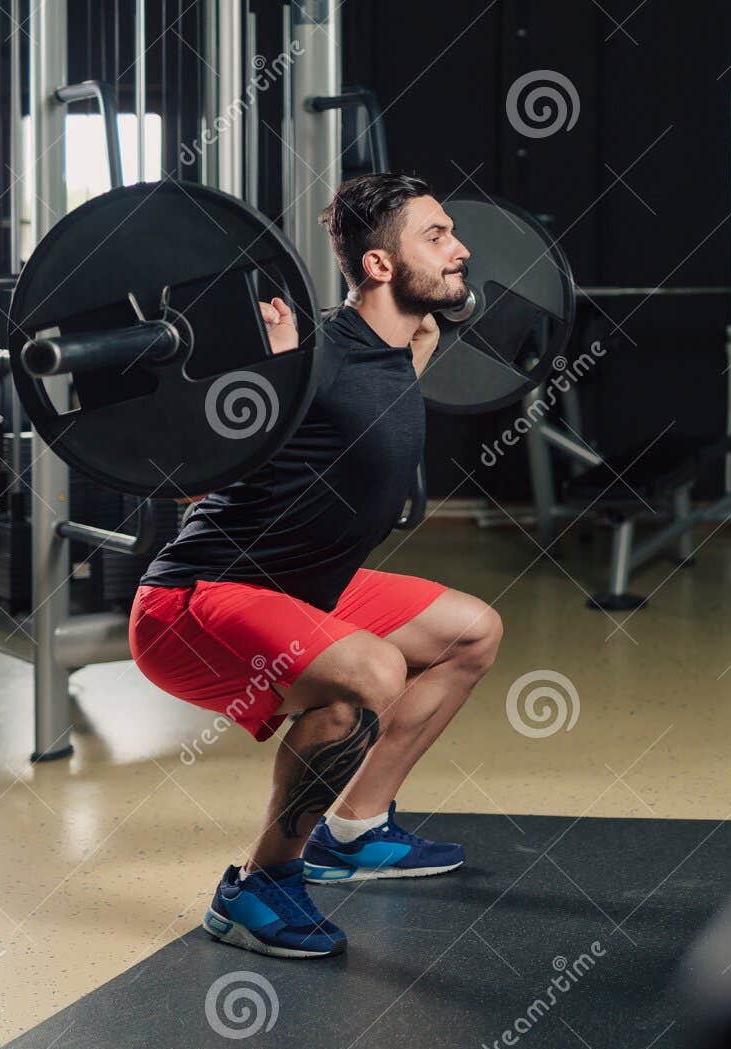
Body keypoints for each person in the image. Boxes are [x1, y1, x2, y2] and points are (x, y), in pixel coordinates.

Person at [129, 173, 503, 959]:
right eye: (435, 236)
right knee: (368, 674)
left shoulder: (411, 344)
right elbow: (191, 474)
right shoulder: (311, 351)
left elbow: (413, 356)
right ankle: (258, 885)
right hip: (194, 599)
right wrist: (269, 382)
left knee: (473, 631)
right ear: (377, 265)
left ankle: (354, 828)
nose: (459, 247)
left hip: (306, 590)